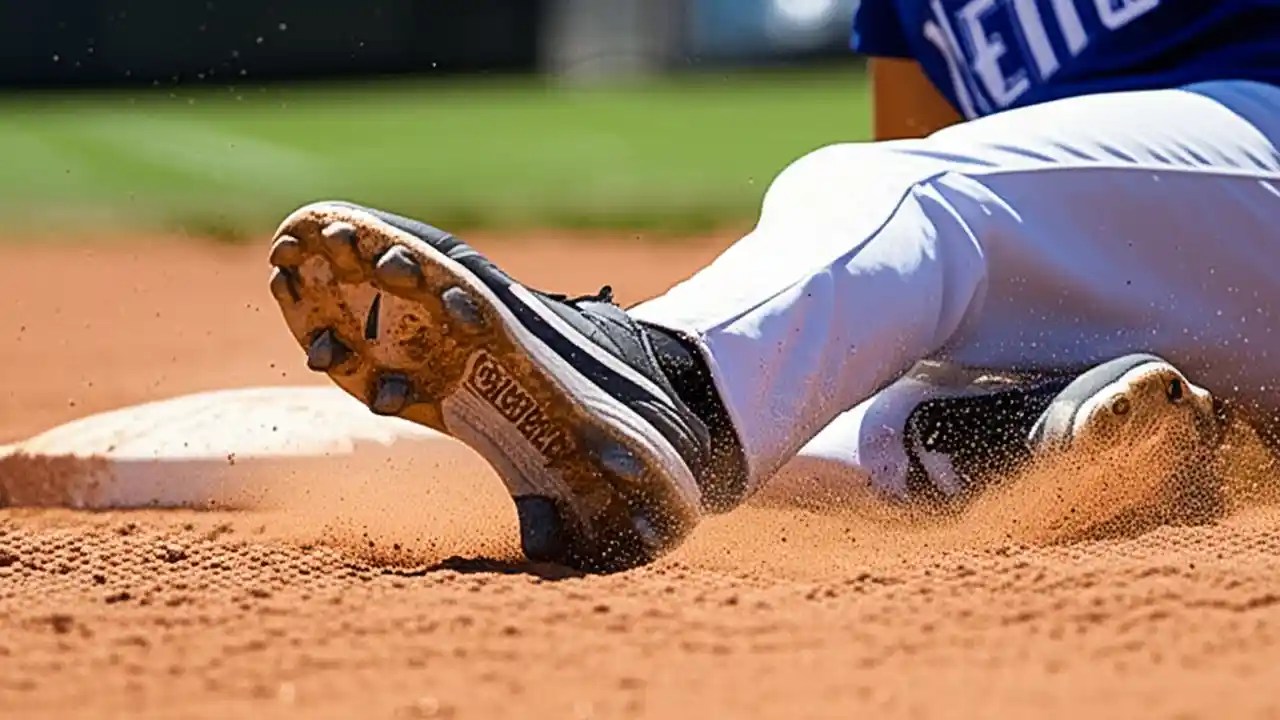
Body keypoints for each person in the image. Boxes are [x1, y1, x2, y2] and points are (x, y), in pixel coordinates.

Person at [266, 0, 1280, 572]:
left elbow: (924, 179)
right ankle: (1004, 446)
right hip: (1179, 296)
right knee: (854, 364)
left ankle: (667, 379)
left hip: (1255, 154)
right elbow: (924, 194)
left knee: (895, 193)